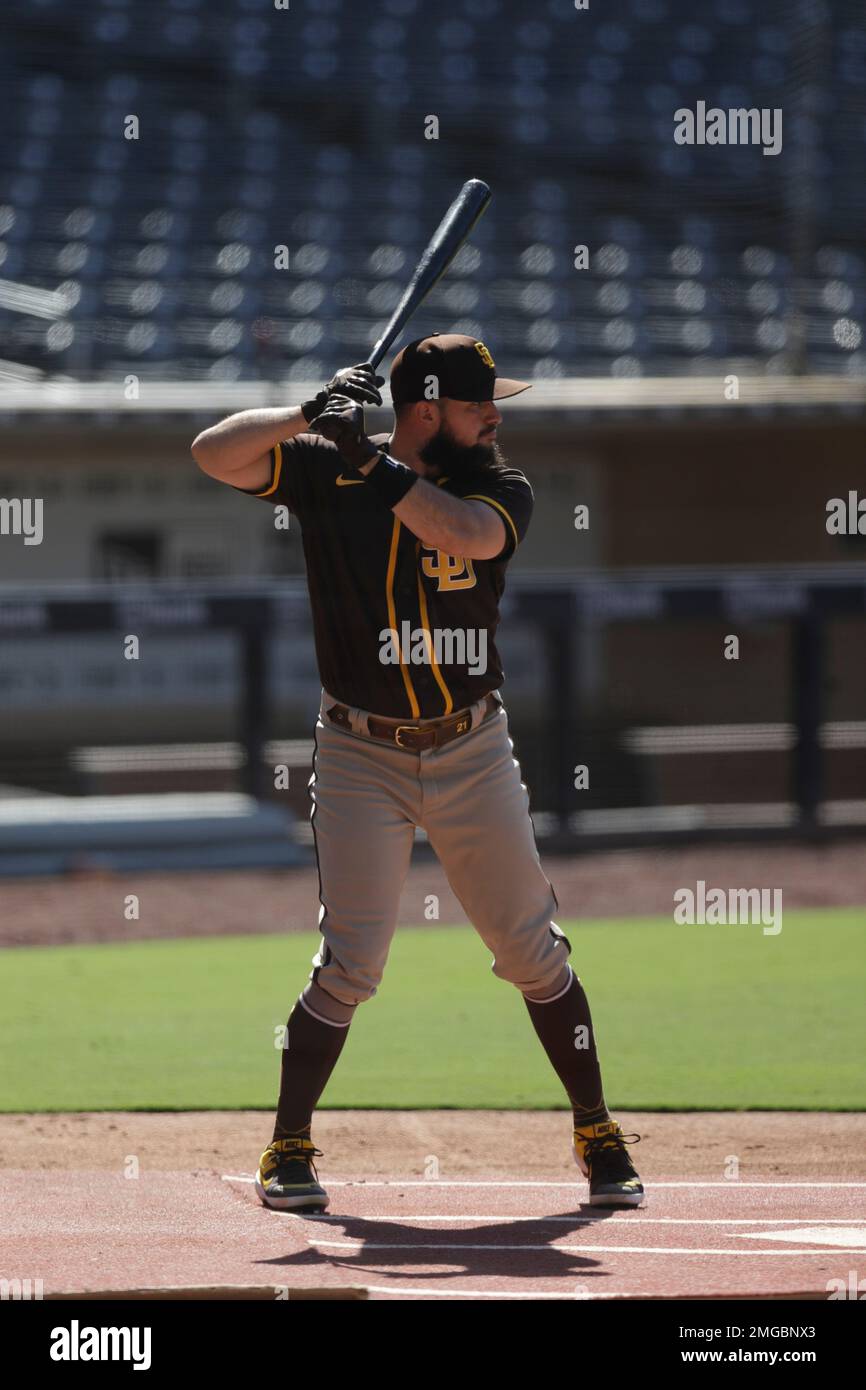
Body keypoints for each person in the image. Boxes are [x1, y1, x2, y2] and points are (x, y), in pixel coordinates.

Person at [191, 333, 644, 1212]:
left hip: (472, 746)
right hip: (361, 752)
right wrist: (307, 412)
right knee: (350, 963)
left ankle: (596, 1128)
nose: (495, 418)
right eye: (480, 405)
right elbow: (213, 453)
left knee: (532, 951)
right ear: (428, 411)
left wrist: (369, 456)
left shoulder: (496, 486)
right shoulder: (326, 470)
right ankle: (287, 1145)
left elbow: (462, 535)